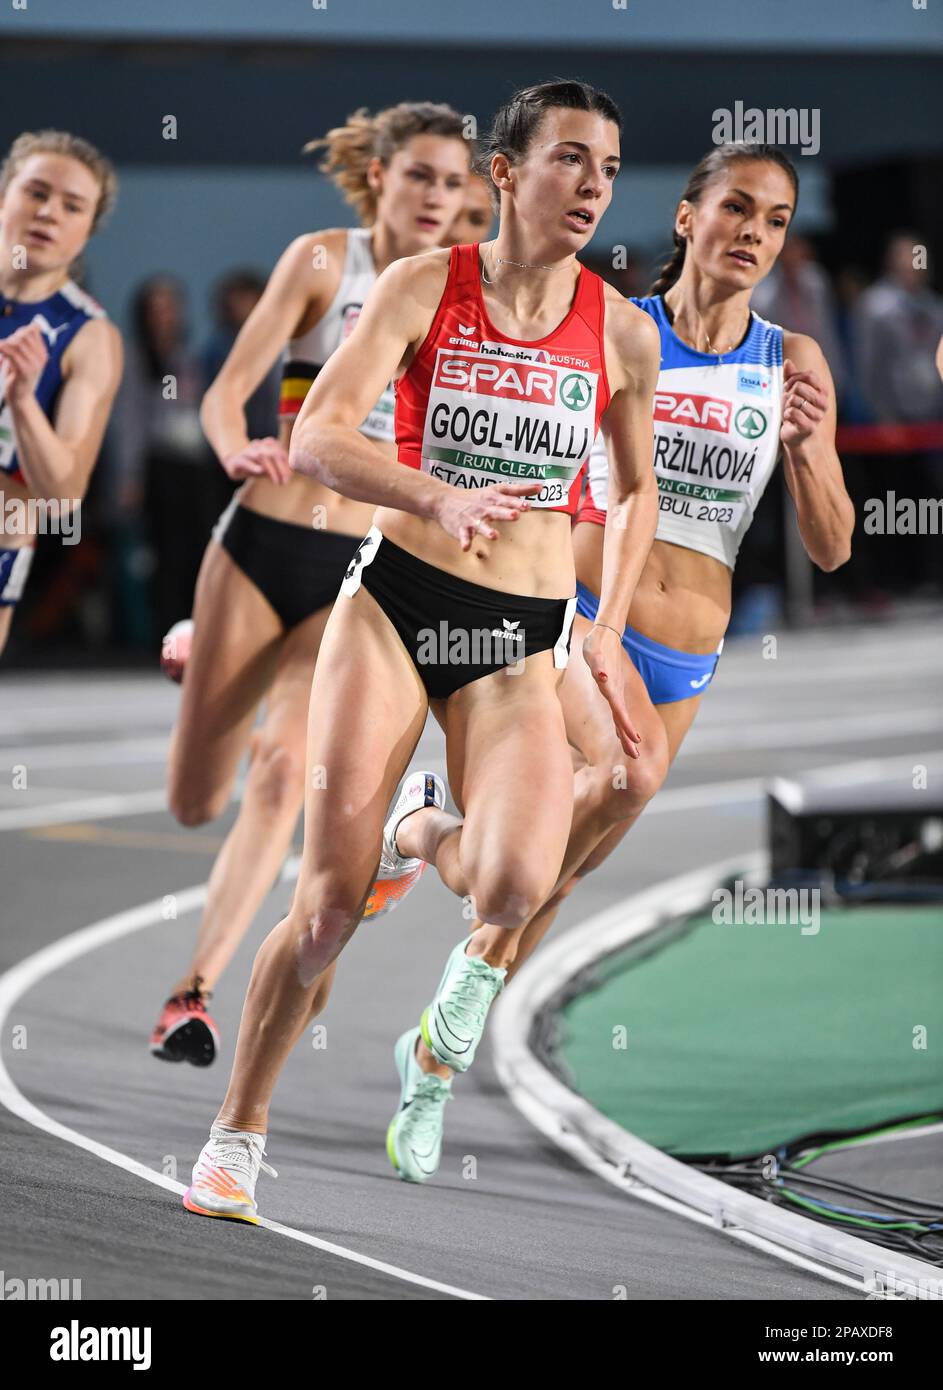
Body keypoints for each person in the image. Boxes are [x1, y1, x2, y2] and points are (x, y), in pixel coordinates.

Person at [182, 77, 661, 1224]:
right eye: (568, 160)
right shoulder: (419, 287)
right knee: (327, 915)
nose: (592, 184)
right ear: (508, 173)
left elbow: (635, 489)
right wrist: (435, 495)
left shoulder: (623, 330)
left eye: (606, 166)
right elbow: (318, 435)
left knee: (511, 879)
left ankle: (419, 827)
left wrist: (602, 624)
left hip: (521, 642)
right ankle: (235, 1134)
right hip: (396, 605)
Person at [383, 142, 856, 1185]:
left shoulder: (794, 360)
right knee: (621, 773)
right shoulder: (616, 328)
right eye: (736, 207)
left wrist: (811, 447)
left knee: (559, 869)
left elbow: (831, 546)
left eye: (775, 220)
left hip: (688, 652)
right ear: (687, 218)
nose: (754, 233)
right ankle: (438, 1049)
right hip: (581, 611)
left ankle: (419, 848)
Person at [149, 103, 472, 1066]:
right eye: (420, 176)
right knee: (194, 801)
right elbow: (223, 388)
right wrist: (232, 447)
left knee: (286, 772)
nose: (437, 199)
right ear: (377, 173)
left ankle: (191, 993)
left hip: (354, 574)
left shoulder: (457, 287)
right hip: (256, 548)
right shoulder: (323, 262)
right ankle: (207, 661)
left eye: (454, 183)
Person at [0, 130, 123, 659]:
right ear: (5, 193)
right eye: (36, 192)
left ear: (88, 230)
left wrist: (24, 402)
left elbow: (62, 497)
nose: (49, 213)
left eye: (73, 206)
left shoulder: (89, 336)